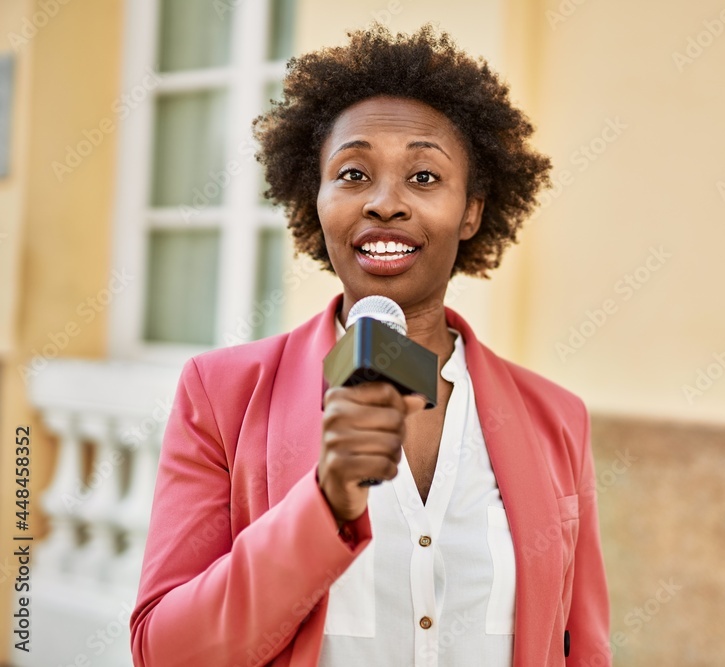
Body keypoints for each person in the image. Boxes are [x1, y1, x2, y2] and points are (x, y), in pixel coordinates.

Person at [130, 24, 610, 667]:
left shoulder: (557, 419)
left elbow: (583, 648)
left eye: (424, 176)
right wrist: (324, 504)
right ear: (317, 199)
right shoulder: (222, 397)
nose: (386, 204)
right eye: (353, 173)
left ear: (471, 210)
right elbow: (166, 653)